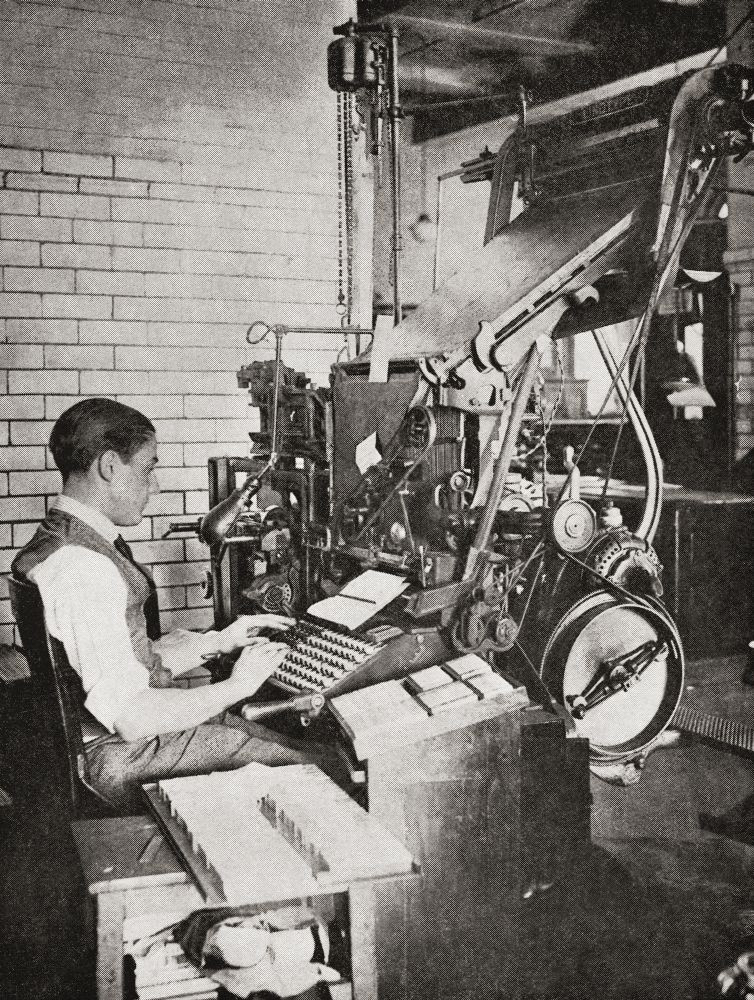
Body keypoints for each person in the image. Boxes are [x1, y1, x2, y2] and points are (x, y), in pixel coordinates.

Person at [12, 398, 316, 812]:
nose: (154, 486)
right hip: (119, 754)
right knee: (314, 766)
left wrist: (220, 641)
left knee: (276, 742)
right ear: (109, 466)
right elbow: (132, 716)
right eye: (148, 468)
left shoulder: (61, 540)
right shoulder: (81, 567)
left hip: (117, 743)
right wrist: (238, 686)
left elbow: (124, 661)